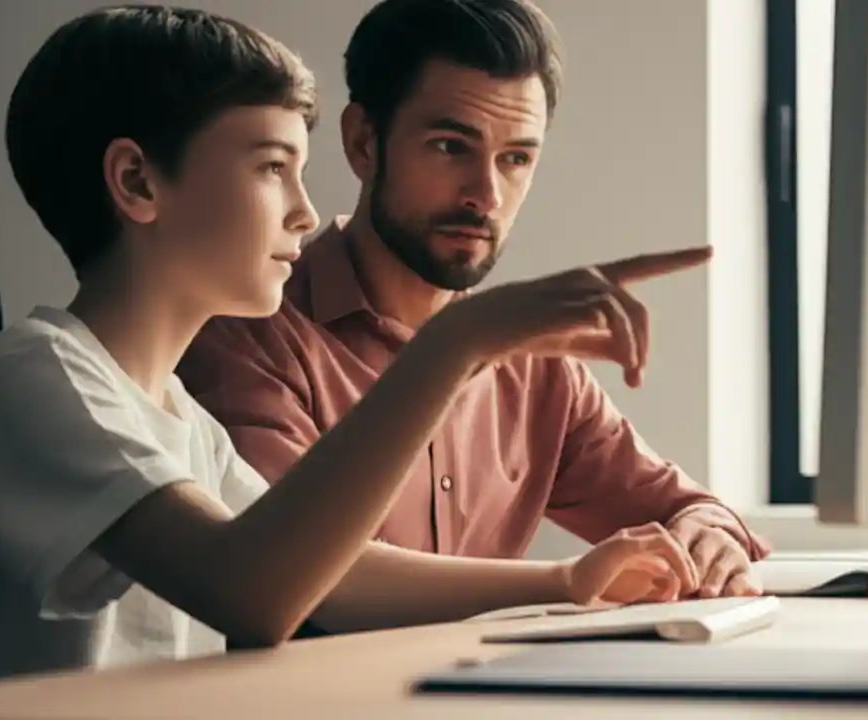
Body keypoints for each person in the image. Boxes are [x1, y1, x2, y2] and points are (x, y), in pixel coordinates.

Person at [0, 5, 709, 692]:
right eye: (273, 169)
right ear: (136, 182)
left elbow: (334, 579)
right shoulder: (36, 384)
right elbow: (253, 593)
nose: (307, 213)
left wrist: (566, 583)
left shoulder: (176, 416)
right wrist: (456, 342)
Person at [178, 0, 770, 636]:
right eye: (450, 146)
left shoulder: (537, 367)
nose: (485, 195)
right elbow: (302, 580)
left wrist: (707, 535)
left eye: (516, 159)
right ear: (363, 142)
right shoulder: (245, 337)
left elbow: (684, 506)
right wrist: (565, 581)